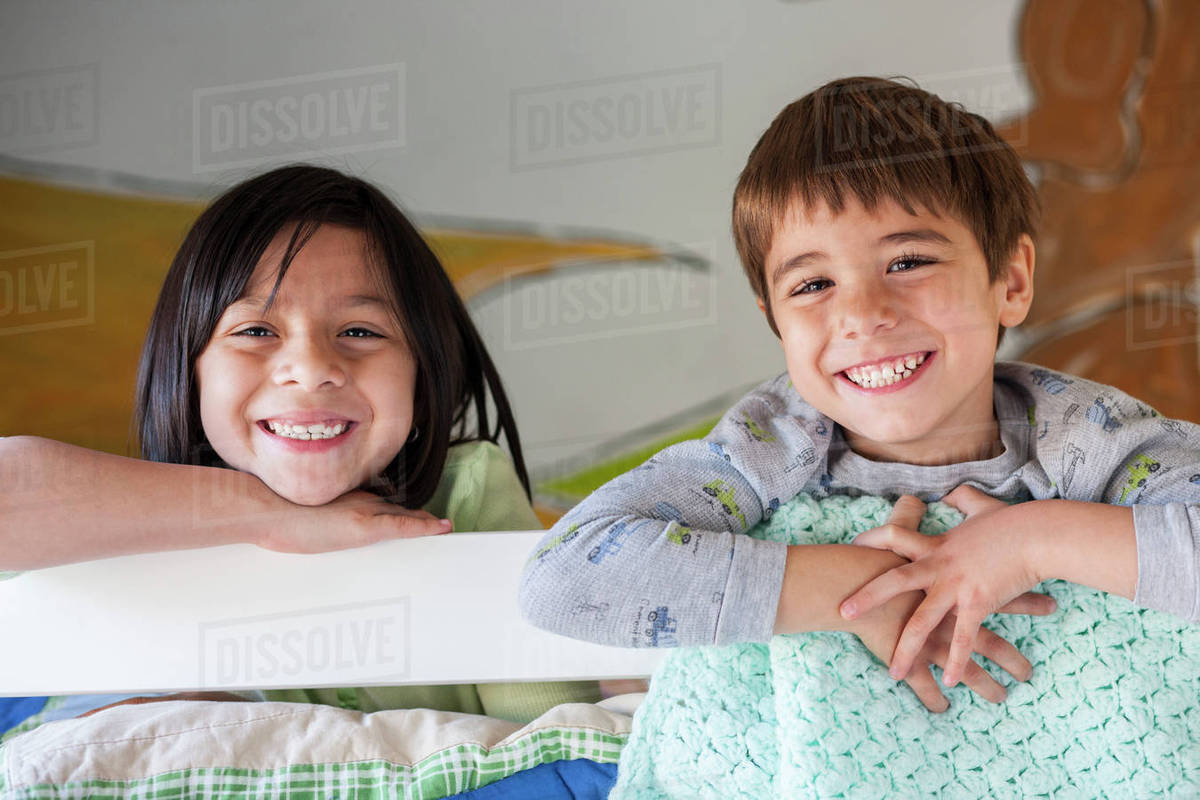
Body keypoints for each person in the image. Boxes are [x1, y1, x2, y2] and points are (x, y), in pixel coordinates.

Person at [518, 76, 1200, 712]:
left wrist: (1029, 541)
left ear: (1011, 281)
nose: (863, 313)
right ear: (774, 320)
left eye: (908, 262)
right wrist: (859, 590)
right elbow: (565, 578)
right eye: (812, 285)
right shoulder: (769, 447)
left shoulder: (1085, 435)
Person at [0, 164, 599, 726]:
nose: (311, 370)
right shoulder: (127, 513)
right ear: (189, 371)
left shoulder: (465, 490)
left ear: (424, 367)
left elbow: (550, 743)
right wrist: (266, 517)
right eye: (256, 331)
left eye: (360, 332)